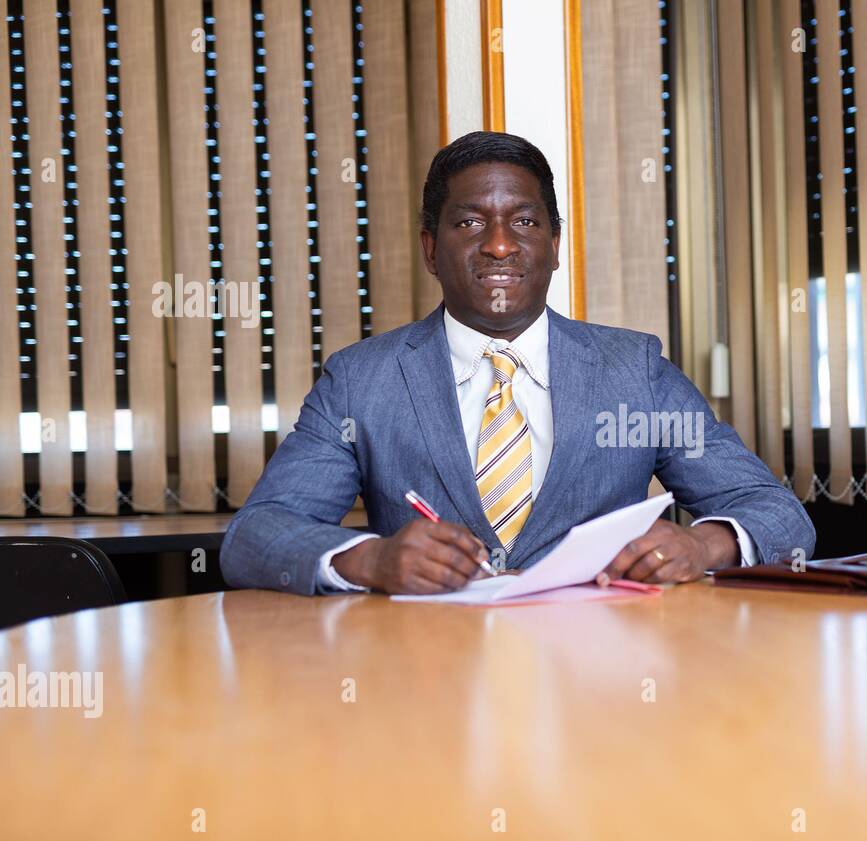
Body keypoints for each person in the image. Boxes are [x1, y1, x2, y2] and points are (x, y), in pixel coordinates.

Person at [220, 131, 814, 595]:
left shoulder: (635, 370)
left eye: (525, 222)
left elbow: (776, 512)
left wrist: (701, 546)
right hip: (426, 677)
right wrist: (371, 559)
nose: (499, 244)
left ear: (554, 246)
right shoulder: (360, 381)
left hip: (604, 679)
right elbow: (256, 535)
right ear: (431, 248)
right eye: (471, 221)